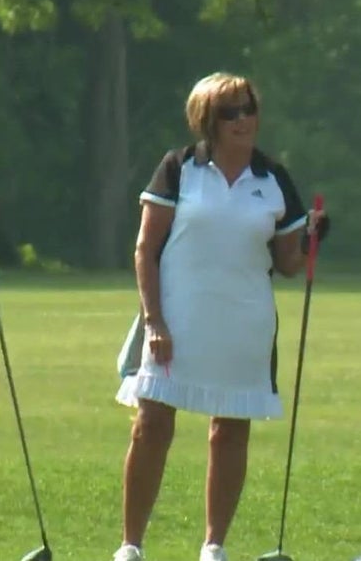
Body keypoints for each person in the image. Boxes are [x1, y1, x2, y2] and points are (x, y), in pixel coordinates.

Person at [113, 72, 324, 561]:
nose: (243, 120)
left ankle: (213, 546)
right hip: (176, 318)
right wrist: (153, 321)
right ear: (207, 119)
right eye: (229, 112)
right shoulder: (179, 168)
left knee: (230, 428)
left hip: (244, 321)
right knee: (151, 424)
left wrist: (313, 236)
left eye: (248, 108)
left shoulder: (274, 179)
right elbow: (146, 250)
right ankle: (130, 546)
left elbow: (289, 263)